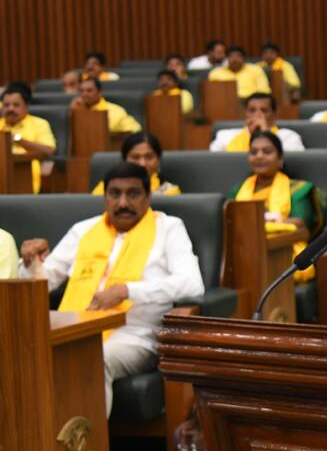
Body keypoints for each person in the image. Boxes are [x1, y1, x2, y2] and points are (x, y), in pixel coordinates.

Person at [18, 162, 204, 415]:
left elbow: (192, 284)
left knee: (92, 356)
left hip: (135, 335)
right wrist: (31, 263)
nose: (123, 203)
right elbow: (43, 281)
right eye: (115, 194)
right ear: (105, 197)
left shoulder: (169, 228)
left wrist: (127, 290)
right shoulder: (83, 230)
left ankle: (87, 450)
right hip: (74, 330)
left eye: (133, 194)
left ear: (149, 197)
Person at [228, 131, 326, 283]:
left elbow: (302, 225)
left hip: (284, 254)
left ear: (280, 159)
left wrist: (266, 222)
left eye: (266, 152)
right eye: (254, 152)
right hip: (243, 254)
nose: (259, 156)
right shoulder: (237, 191)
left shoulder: (299, 190)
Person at [1, 83, 56, 193]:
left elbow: (49, 150)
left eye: (16, 105)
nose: (10, 108)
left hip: (27, 176)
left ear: (26, 107)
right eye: (6, 105)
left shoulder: (39, 123)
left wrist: (18, 140)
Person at [91, 132, 181, 196]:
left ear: (158, 159)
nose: (142, 164)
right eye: (135, 157)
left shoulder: (170, 192)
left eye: (149, 157)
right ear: (124, 160)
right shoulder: (106, 187)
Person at [210, 92, 304, 152]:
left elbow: (293, 162)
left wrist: (265, 133)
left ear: (274, 115)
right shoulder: (225, 136)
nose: (258, 115)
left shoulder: (288, 136)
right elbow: (213, 162)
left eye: (264, 110)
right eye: (252, 110)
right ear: (245, 114)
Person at [69, 77, 142, 134]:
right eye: (81, 91)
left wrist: (84, 113)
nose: (84, 94)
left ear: (100, 93)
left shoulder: (114, 111)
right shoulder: (76, 109)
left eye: (89, 90)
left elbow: (100, 132)